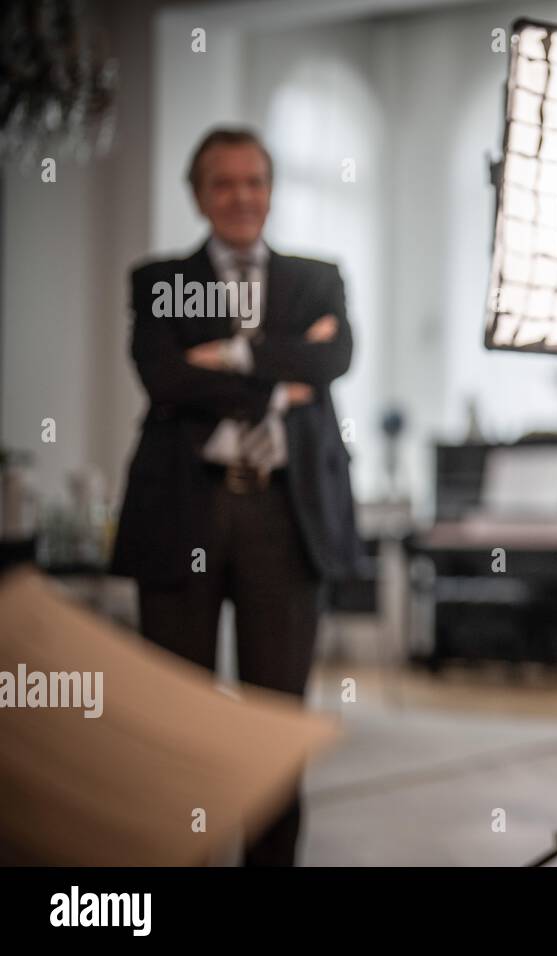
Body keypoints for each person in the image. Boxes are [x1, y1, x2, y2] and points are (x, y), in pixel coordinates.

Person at [110, 127, 361, 866]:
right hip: (187, 503)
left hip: (286, 514)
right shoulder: (160, 281)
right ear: (198, 195)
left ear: (272, 189)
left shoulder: (319, 278)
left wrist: (232, 353)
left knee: (274, 721)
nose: (242, 197)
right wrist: (283, 379)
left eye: (255, 181)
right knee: (178, 713)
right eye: (224, 183)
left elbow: (336, 357)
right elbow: (165, 378)